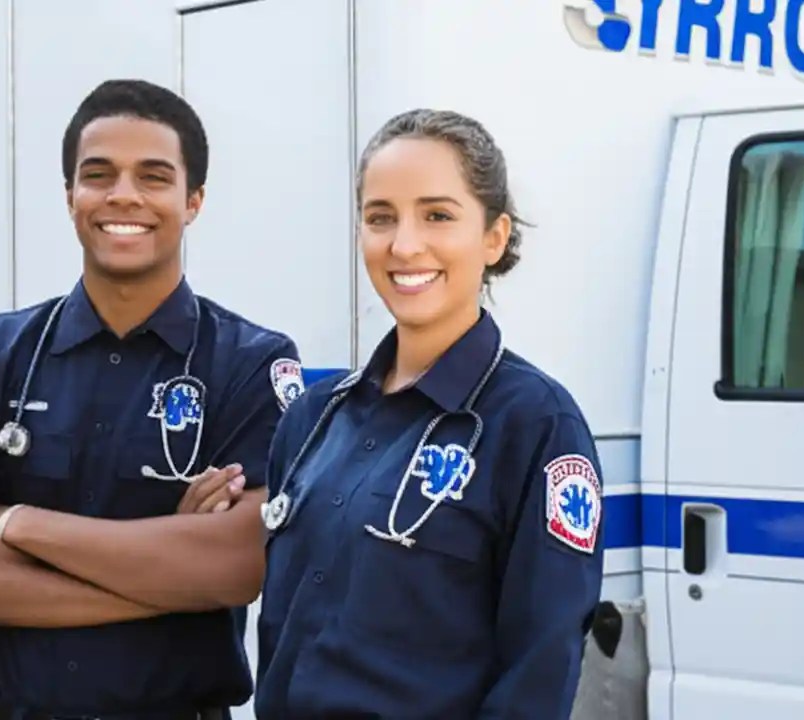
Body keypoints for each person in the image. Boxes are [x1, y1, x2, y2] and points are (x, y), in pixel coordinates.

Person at [0, 78, 303, 720]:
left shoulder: (250, 364)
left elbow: (239, 563)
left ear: (193, 200)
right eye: (99, 174)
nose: (124, 196)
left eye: (154, 177)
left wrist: (11, 522)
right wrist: (167, 577)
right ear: (70, 196)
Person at [253, 108, 605, 719]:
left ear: (494, 237)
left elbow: (539, 670)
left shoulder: (535, 425)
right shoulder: (313, 418)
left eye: (437, 215)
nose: (404, 244)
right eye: (380, 217)